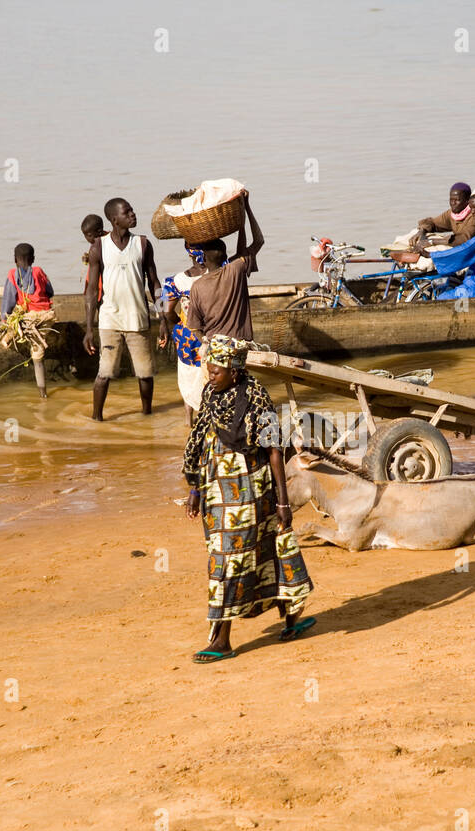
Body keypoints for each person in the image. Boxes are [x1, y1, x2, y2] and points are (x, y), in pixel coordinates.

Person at [182, 335, 315, 663]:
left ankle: (223, 640)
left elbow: (274, 449)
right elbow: (199, 442)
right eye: (208, 369)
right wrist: (195, 490)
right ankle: (292, 620)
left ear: (235, 371)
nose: (209, 375)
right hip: (217, 491)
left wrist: (283, 502)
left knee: (234, 559)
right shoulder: (211, 394)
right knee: (260, 552)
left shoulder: (256, 397)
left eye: (216, 371)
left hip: (251, 492)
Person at [84, 197, 163, 421]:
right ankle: (96, 419)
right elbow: (91, 290)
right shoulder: (99, 247)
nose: (133, 215)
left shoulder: (143, 244)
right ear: (114, 219)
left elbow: (154, 283)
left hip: (138, 320)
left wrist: (162, 317)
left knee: (145, 374)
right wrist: (90, 328)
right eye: (127, 212)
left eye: (132, 211)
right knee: (104, 374)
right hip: (110, 321)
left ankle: (147, 418)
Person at [184, 190, 263, 341]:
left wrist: (206, 344)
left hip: (215, 350)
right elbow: (258, 241)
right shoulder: (236, 269)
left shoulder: (198, 286)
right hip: (241, 346)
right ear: (226, 257)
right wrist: (245, 208)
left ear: (204, 258)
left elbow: (194, 327)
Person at [160, 243, 209, 422]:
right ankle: (205, 417)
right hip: (205, 333)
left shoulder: (176, 280)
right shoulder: (214, 275)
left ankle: (188, 419)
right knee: (205, 376)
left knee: (187, 376)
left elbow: (167, 311)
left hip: (185, 335)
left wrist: (180, 323)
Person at [0, 242, 54, 322]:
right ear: (33, 259)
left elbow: (8, 300)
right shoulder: (39, 271)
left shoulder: (12, 274)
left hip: (28, 315)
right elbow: (50, 292)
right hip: (46, 313)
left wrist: (4, 319)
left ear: (15, 259)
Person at [416, 183, 475, 247]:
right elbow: (432, 223)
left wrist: (431, 241)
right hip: (455, 245)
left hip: (472, 249)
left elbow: (464, 239)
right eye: (451, 200)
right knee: (415, 233)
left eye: (457, 200)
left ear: (467, 201)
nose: (453, 203)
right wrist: (422, 231)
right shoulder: (452, 214)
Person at [80, 213, 106, 286]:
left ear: (99, 232)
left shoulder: (110, 242)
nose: (86, 238)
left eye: (89, 235)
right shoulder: (96, 243)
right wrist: (89, 258)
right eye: (84, 235)